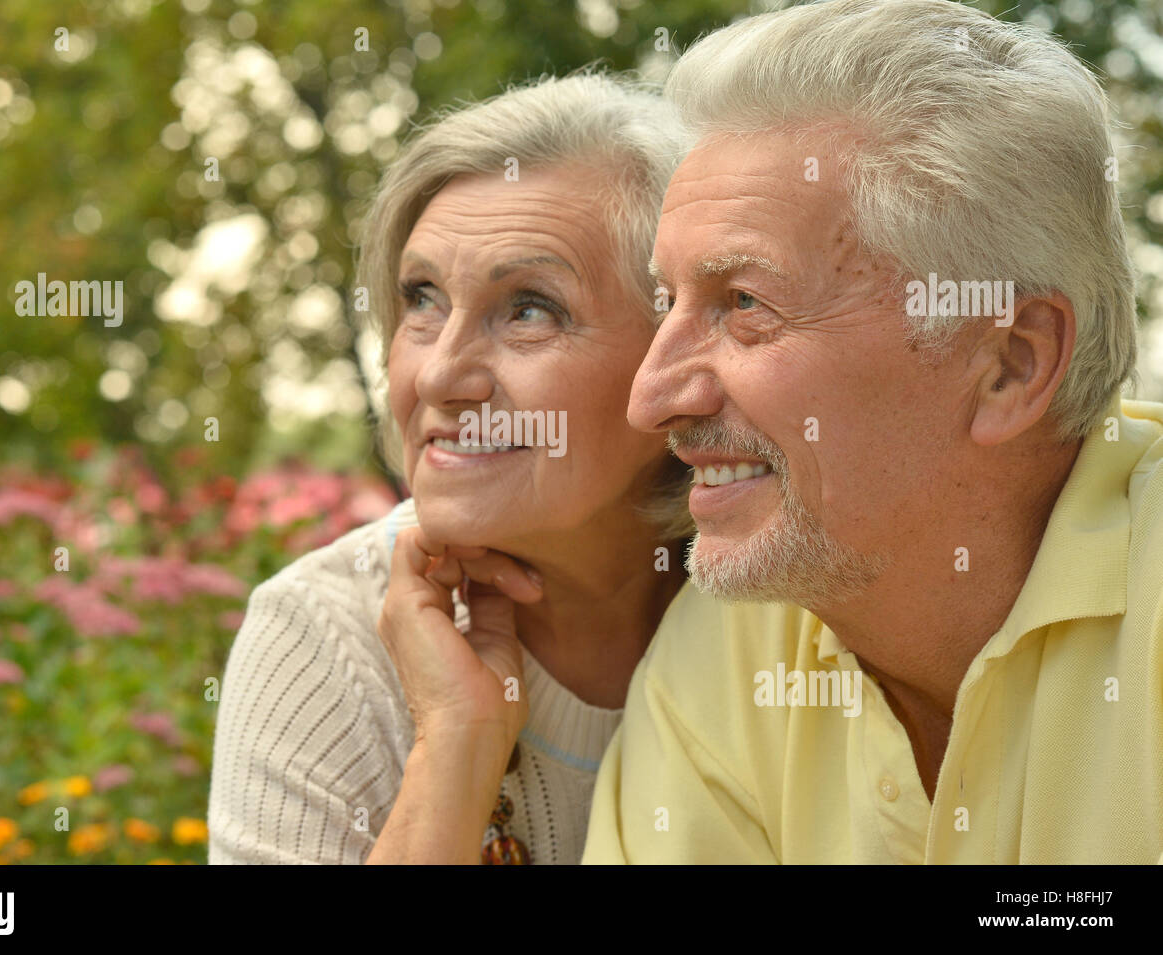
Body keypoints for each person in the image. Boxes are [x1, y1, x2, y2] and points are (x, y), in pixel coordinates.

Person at [584, 0, 1163, 864]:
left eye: (745, 304)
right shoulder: (737, 638)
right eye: (670, 303)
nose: (652, 395)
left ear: (1009, 361)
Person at [208, 70, 693, 864]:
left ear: (675, 357)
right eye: (423, 298)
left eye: (530, 308)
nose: (437, 375)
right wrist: (455, 744)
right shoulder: (320, 640)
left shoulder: (782, 609)